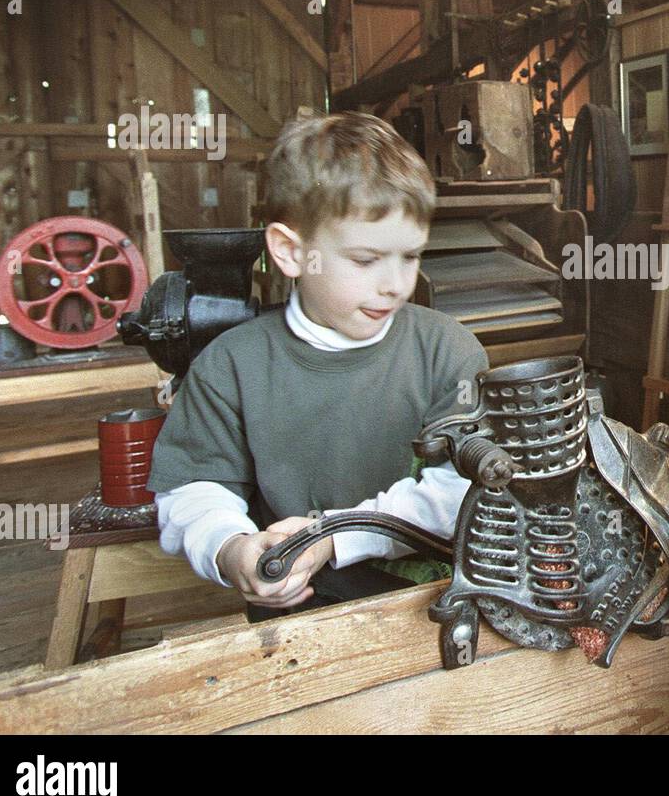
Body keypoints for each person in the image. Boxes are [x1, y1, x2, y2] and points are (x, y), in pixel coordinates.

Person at [147, 112, 488, 619]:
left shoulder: (448, 350)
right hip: (300, 614)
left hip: (440, 606)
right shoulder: (231, 367)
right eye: (366, 260)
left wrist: (333, 536)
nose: (396, 284)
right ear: (289, 251)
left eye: (411, 256)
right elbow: (194, 491)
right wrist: (231, 549)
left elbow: (462, 491)